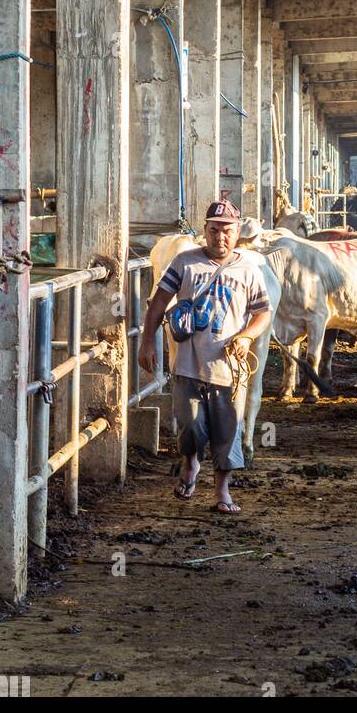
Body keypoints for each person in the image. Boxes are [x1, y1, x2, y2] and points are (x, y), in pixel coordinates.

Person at [139, 200, 271, 514]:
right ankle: (190, 464)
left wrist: (247, 335)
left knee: (228, 429)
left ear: (237, 232)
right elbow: (158, 305)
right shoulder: (184, 263)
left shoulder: (249, 269)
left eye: (227, 230)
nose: (220, 237)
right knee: (190, 425)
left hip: (229, 368)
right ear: (205, 231)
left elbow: (263, 313)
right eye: (214, 230)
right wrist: (148, 342)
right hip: (187, 362)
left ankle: (222, 491)